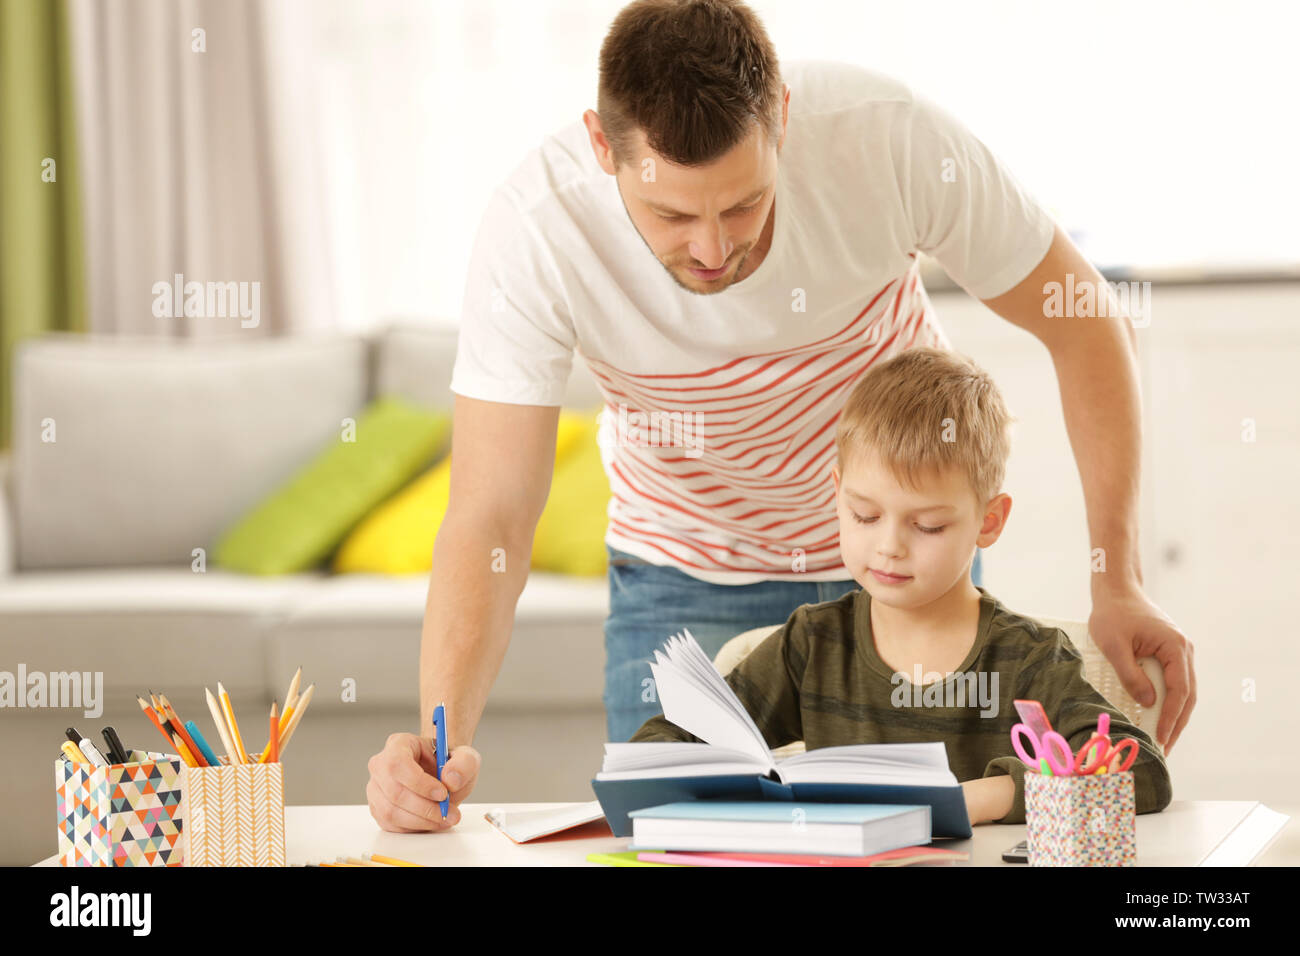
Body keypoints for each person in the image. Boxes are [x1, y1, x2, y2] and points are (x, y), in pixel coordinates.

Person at [365, 0, 1192, 833]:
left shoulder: (886, 139)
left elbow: (1082, 319)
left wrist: (1116, 576)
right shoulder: (536, 234)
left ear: (784, 118)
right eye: (673, 216)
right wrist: (441, 745)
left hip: (903, 548)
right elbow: (491, 512)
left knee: (935, 845)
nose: (717, 251)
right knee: (669, 831)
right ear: (599, 146)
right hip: (683, 567)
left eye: (745, 203)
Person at [630, 347, 1173, 825]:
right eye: (864, 515)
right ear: (838, 492)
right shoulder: (812, 646)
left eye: (927, 526)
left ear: (988, 521)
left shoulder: (1027, 659)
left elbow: (1142, 771)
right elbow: (666, 745)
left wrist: (984, 797)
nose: (889, 546)